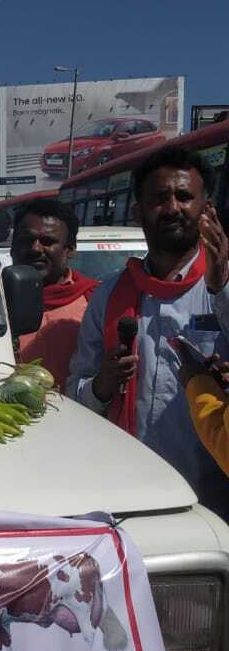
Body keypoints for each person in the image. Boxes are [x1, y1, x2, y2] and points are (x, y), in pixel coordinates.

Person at [67, 146, 229, 518]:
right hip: (126, 496)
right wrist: (100, 387)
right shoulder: (109, 295)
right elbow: (75, 394)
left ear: (206, 208)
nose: (173, 207)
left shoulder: (222, 284)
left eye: (185, 197)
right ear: (138, 211)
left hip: (214, 501)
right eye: (159, 198)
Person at [10, 199, 97, 391]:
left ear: (70, 249)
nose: (35, 248)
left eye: (47, 242)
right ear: (13, 245)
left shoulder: (95, 302)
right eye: (26, 240)